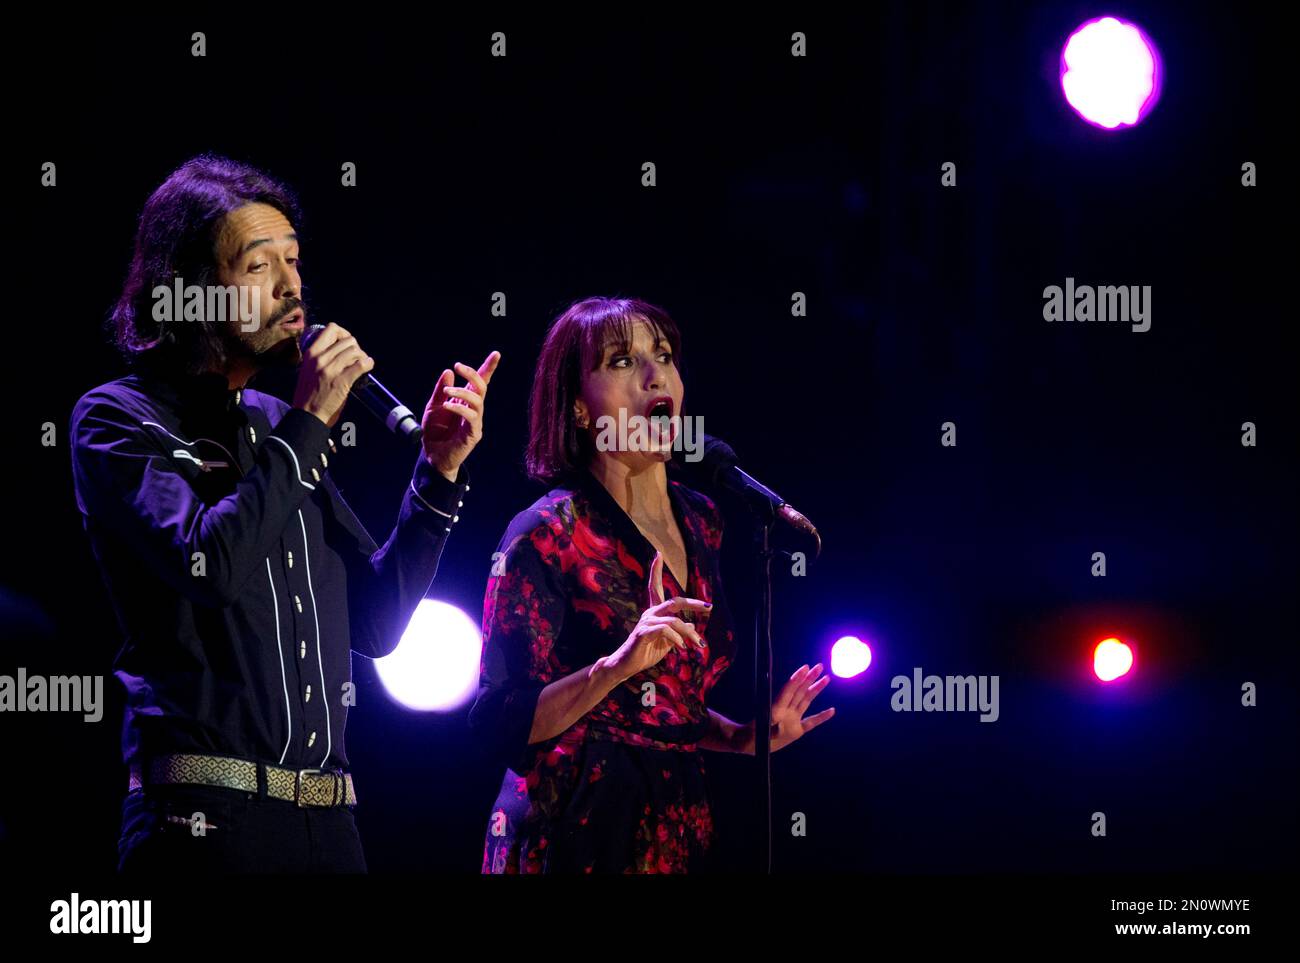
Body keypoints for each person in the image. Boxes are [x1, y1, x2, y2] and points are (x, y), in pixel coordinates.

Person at [69, 155, 499, 872]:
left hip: (330, 826)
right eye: (259, 265)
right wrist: (309, 421)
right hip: (203, 824)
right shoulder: (117, 418)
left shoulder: (279, 425)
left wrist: (440, 469)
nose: (293, 287)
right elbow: (209, 565)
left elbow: (377, 622)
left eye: (295, 262)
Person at [470, 295, 832, 873]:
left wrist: (741, 737)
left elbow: (662, 706)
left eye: (663, 354)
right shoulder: (546, 532)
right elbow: (498, 720)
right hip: (573, 822)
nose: (653, 371)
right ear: (579, 409)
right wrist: (616, 666)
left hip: (675, 823)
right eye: (620, 360)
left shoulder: (702, 519)